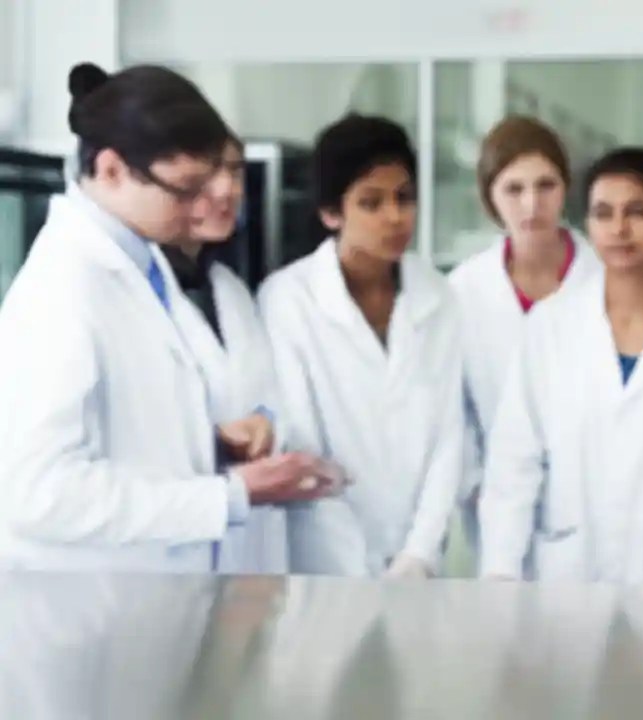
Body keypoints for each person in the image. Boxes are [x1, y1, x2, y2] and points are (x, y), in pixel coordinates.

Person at [0, 63, 338, 572]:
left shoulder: (144, 267)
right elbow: (36, 493)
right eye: (184, 189)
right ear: (111, 170)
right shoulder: (60, 292)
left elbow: (134, 427)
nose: (207, 202)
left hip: (153, 609)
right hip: (81, 619)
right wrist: (225, 496)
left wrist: (211, 442)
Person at [478, 147, 643, 585]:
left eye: (637, 212)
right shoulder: (550, 324)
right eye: (603, 213)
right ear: (588, 225)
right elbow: (514, 459)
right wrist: (500, 570)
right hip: (567, 571)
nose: (619, 229)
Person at [258, 113, 464, 578]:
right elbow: (303, 444)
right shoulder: (289, 300)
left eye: (404, 198)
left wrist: (420, 553)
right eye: (371, 203)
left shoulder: (439, 297)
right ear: (332, 213)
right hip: (325, 559)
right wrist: (358, 561)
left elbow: (449, 435)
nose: (395, 217)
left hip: (419, 560)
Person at [447, 116, 600, 566]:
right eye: (513, 189)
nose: (531, 204)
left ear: (565, 188)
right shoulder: (463, 291)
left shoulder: (603, 280)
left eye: (545, 185)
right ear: (490, 197)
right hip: (496, 505)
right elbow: (453, 409)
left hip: (592, 504)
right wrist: (477, 484)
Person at [153, 137, 289, 573]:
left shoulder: (230, 289)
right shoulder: (135, 295)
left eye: (235, 172)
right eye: (209, 173)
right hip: (170, 548)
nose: (228, 188)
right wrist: (214, 438)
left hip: (246, 545)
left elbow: (267, 390)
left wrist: (265, 422)